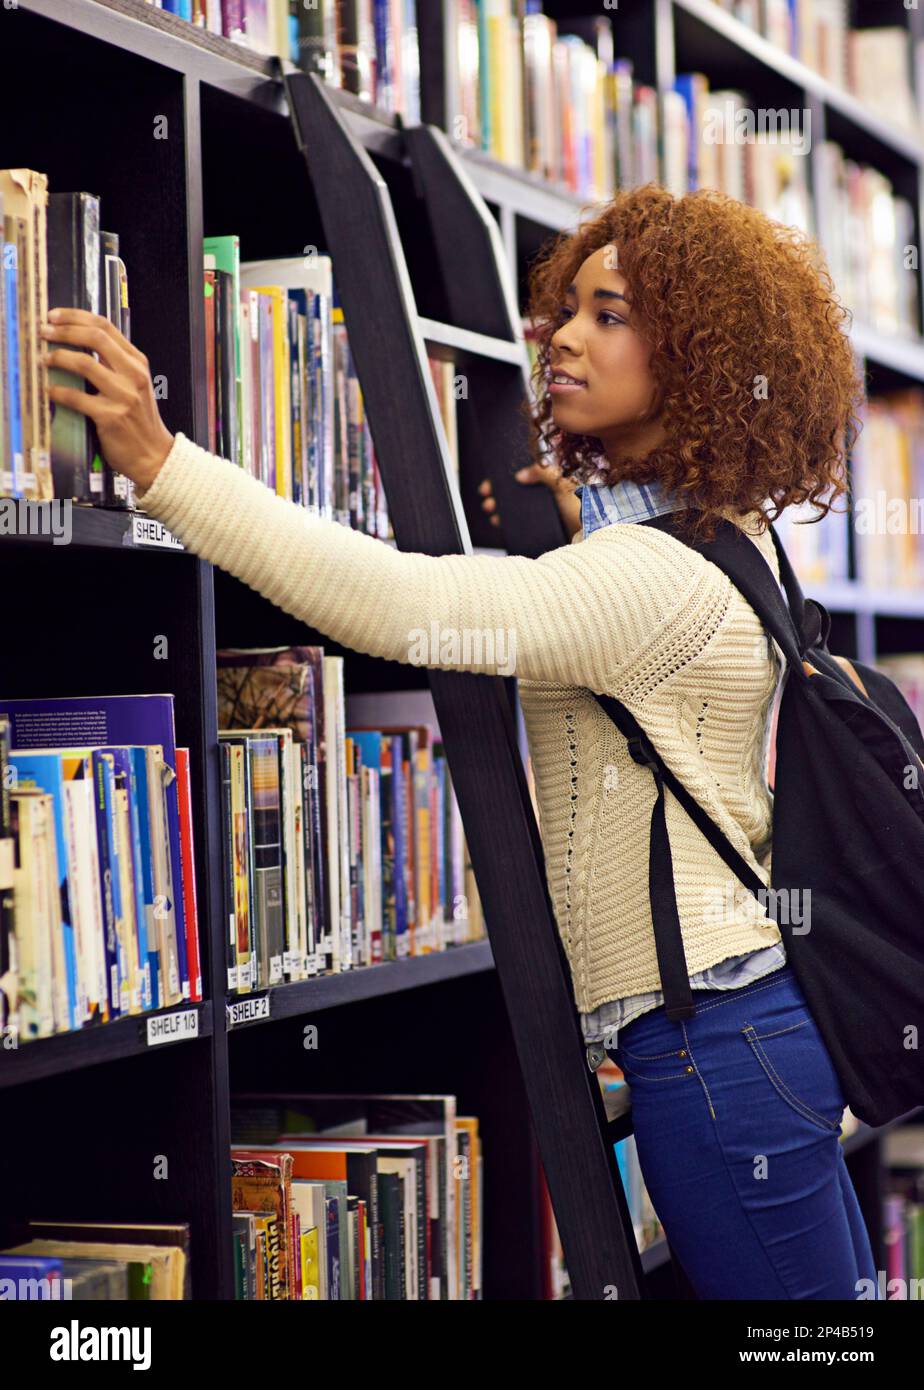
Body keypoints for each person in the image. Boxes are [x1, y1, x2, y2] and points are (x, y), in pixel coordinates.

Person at [40, 182, 878, 1300]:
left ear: (698, 359)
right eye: (569, 306)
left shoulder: (644, 582)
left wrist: (161, 464)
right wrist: (585, 519)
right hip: (756, 1023)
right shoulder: (735, 535)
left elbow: (395, 600)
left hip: (716, 1046)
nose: (565, 338)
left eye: (612, 315)